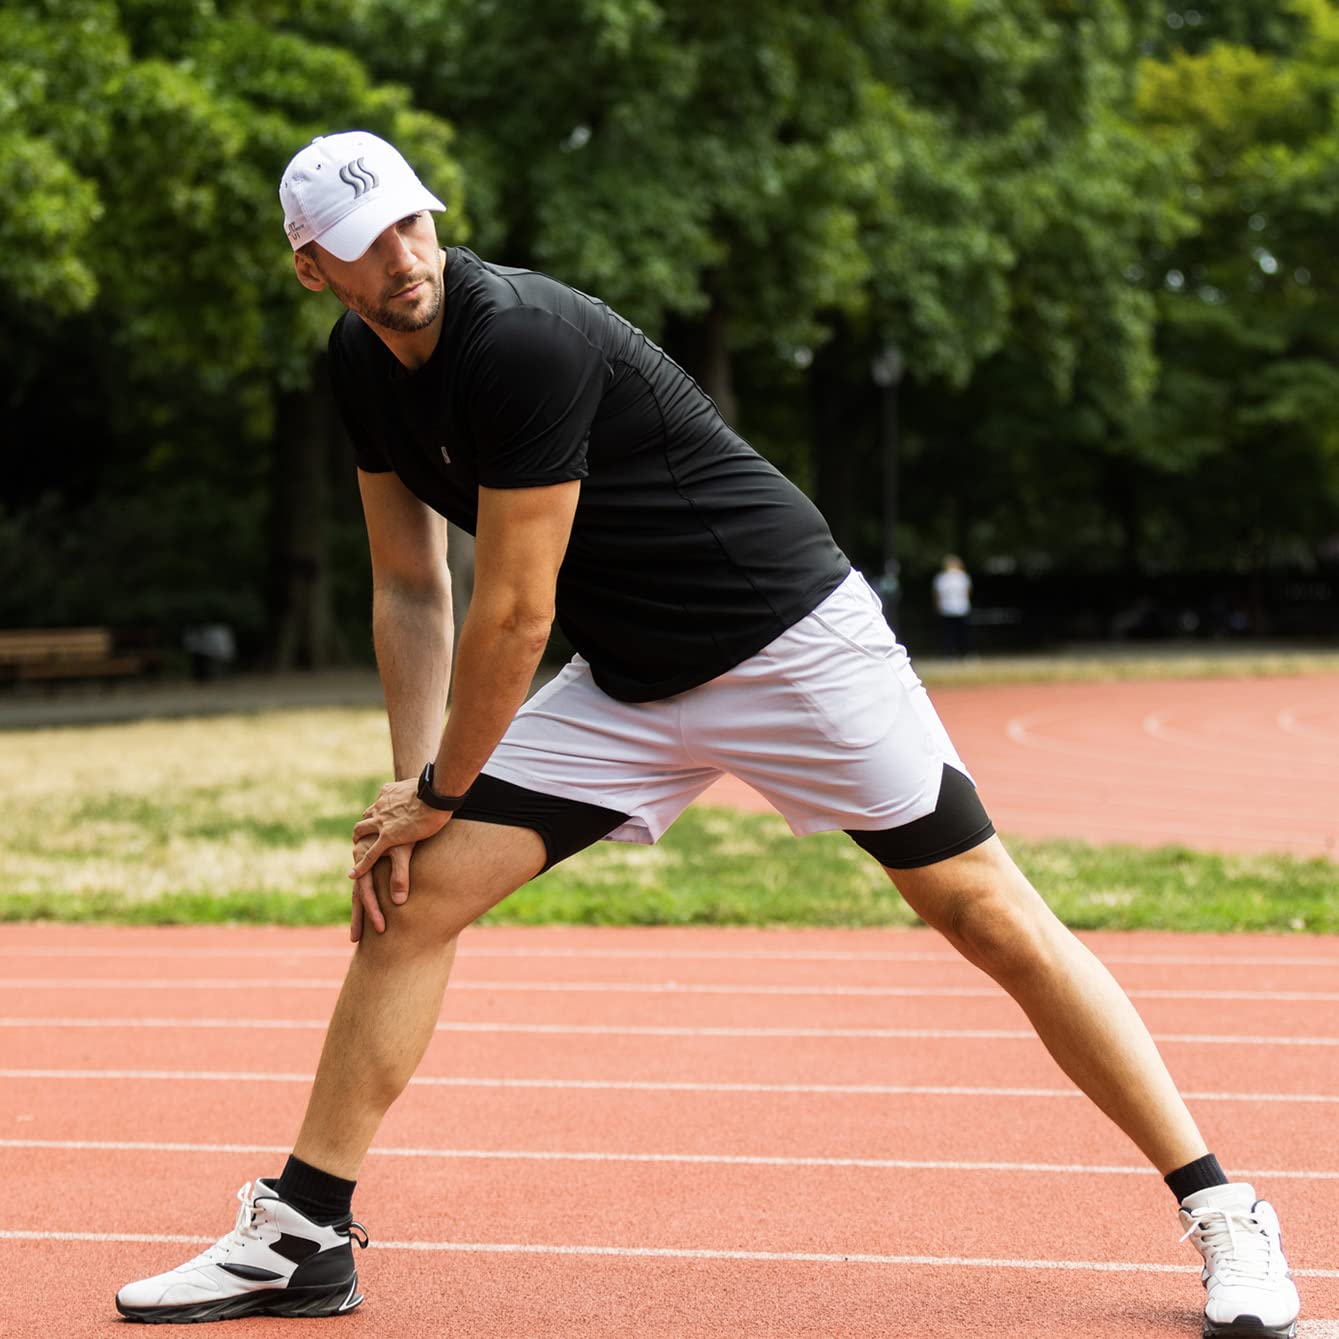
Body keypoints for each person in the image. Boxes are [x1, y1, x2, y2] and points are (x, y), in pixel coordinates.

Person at [116, 132, 1300, 1338]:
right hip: (631, 680)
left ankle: (1225, 1208)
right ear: (315, 266)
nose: (402, 255)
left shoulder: (517, 337)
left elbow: (515, 613)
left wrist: (446, 782)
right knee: (408, 897)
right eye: (364, 245)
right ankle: (306, 1236)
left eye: (412, 222)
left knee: (988, 915)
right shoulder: (358, 367)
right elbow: (414, 588)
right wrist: (410, 793)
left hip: (786, 641)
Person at [933, 554, 972, 658]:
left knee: (949, 634)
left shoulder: (941, 578)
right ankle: (964, 653)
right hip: (960, 608)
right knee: (961, 634)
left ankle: (949, 654)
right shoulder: (963, 577)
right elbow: (967, 592)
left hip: (948, 609)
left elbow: (937, 595)